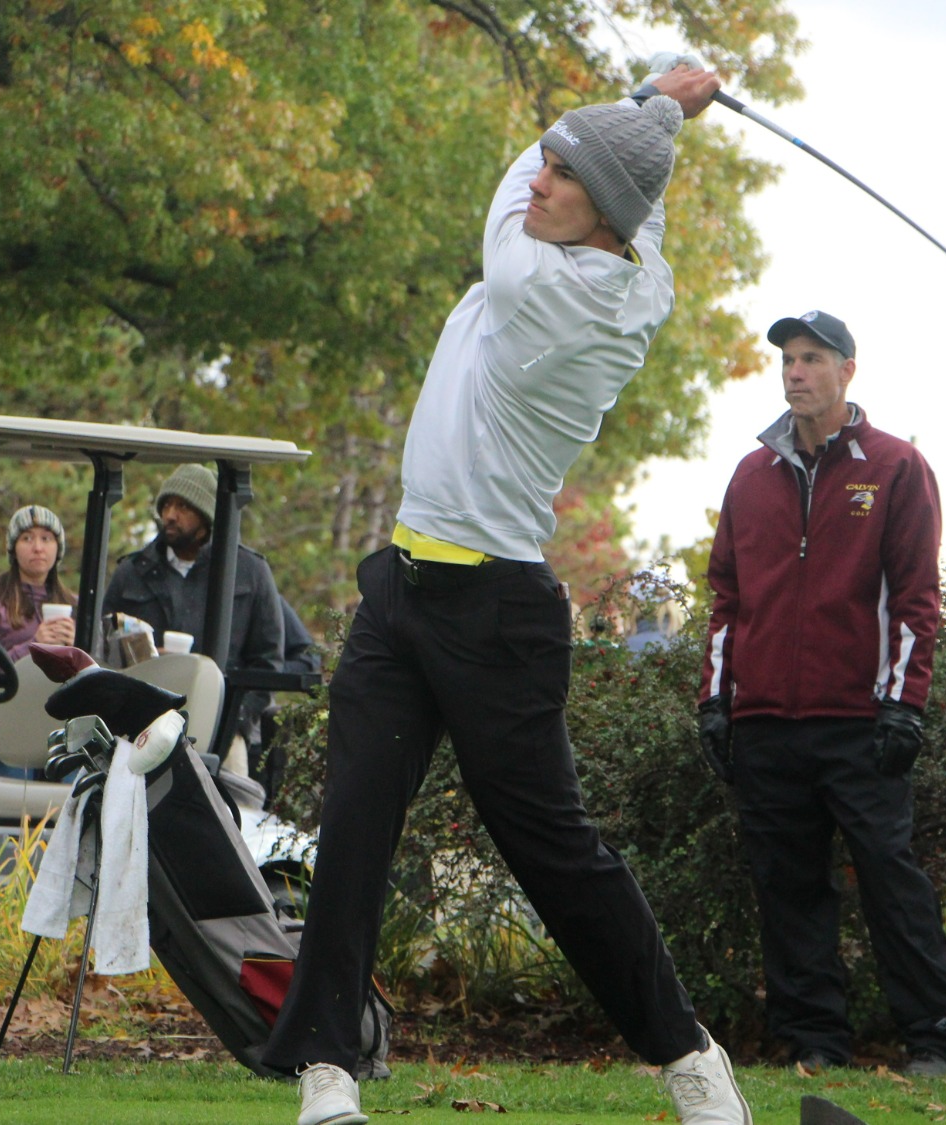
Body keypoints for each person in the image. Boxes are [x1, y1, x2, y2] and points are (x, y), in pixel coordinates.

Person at [264, 62, 754, 1125]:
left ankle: (687, 1057)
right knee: (351, 827)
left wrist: (652, 98)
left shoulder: (542, 285)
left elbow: (509, 179)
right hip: (401, 592)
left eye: (562, 176)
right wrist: (660, 111)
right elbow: (629, 181)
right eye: (547, 163)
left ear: (597, 219)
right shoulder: (634, 251)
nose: (538, 179)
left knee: (553, 855)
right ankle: (325, 1072)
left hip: (496, 618)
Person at [695, 310, 946, 1078]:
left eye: (812, 358)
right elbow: (726, 596)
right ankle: (816, 1037)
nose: (795, 372)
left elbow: (916, 600)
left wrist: (903, 705)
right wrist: (716, 700)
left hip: (861, 721)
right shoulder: (751, 475)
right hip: (763, 723)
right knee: (787, 887)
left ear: (847, 370)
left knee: (890, 877)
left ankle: (936, 1033)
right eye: (787, 359)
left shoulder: (894, 467)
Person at [105, 463, 285, 774]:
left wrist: (236, 722)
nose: (170, 515)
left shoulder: (250, 572)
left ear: (206, 516)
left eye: (183, 506)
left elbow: (268, 661)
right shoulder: (131, 572)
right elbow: (103, 648)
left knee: (232, 816)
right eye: (166, 506)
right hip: (140, 731)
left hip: (225, 733)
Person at [0, 505, 77, 778]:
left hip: (59, 736)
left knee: (71, 813)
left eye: (46, 538)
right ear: (13, 548)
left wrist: (78, 647)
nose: (38, 547)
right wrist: (31, 648)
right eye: (27, 538)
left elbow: (98, 672)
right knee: (5, 819)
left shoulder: (76, 606)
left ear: (57, 548)